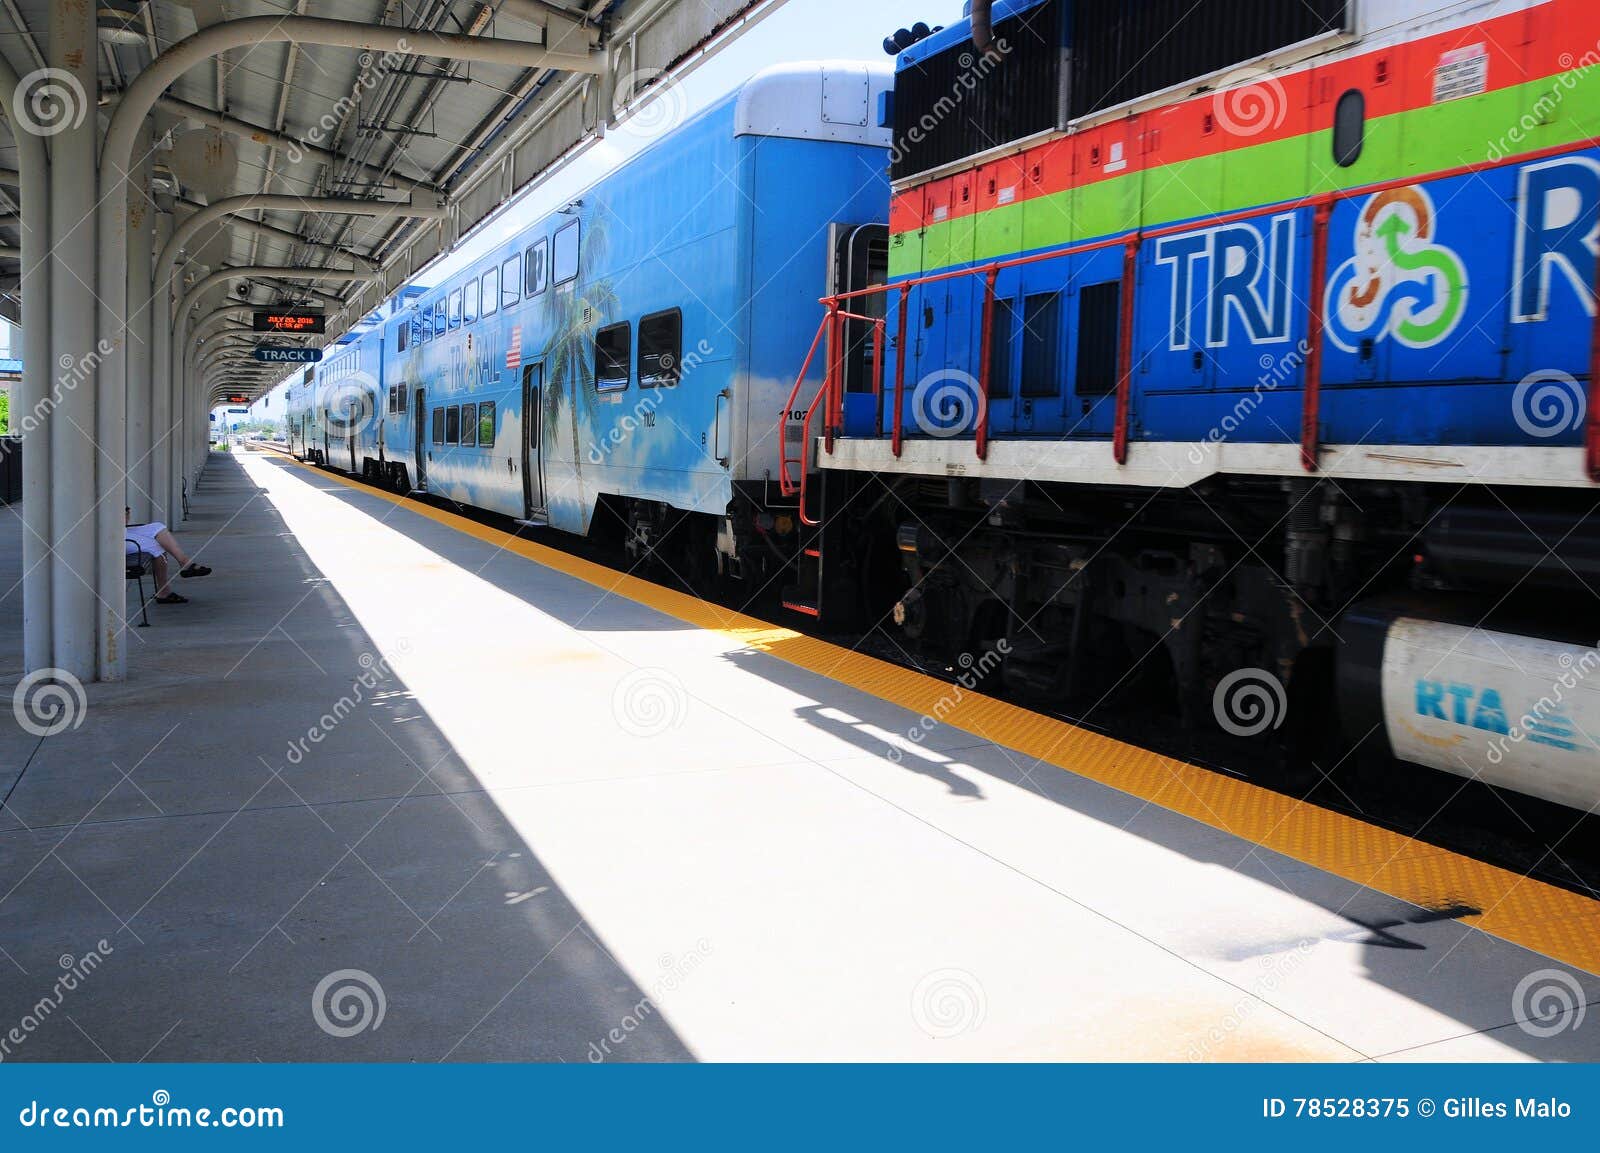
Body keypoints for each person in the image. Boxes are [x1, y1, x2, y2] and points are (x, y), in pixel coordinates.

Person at [126, 508, 212, 604]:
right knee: (157, 545)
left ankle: (184, 563)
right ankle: (164, 591)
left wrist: (124, 513)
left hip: (123, 531)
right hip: (113, 537)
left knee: (158, 527)